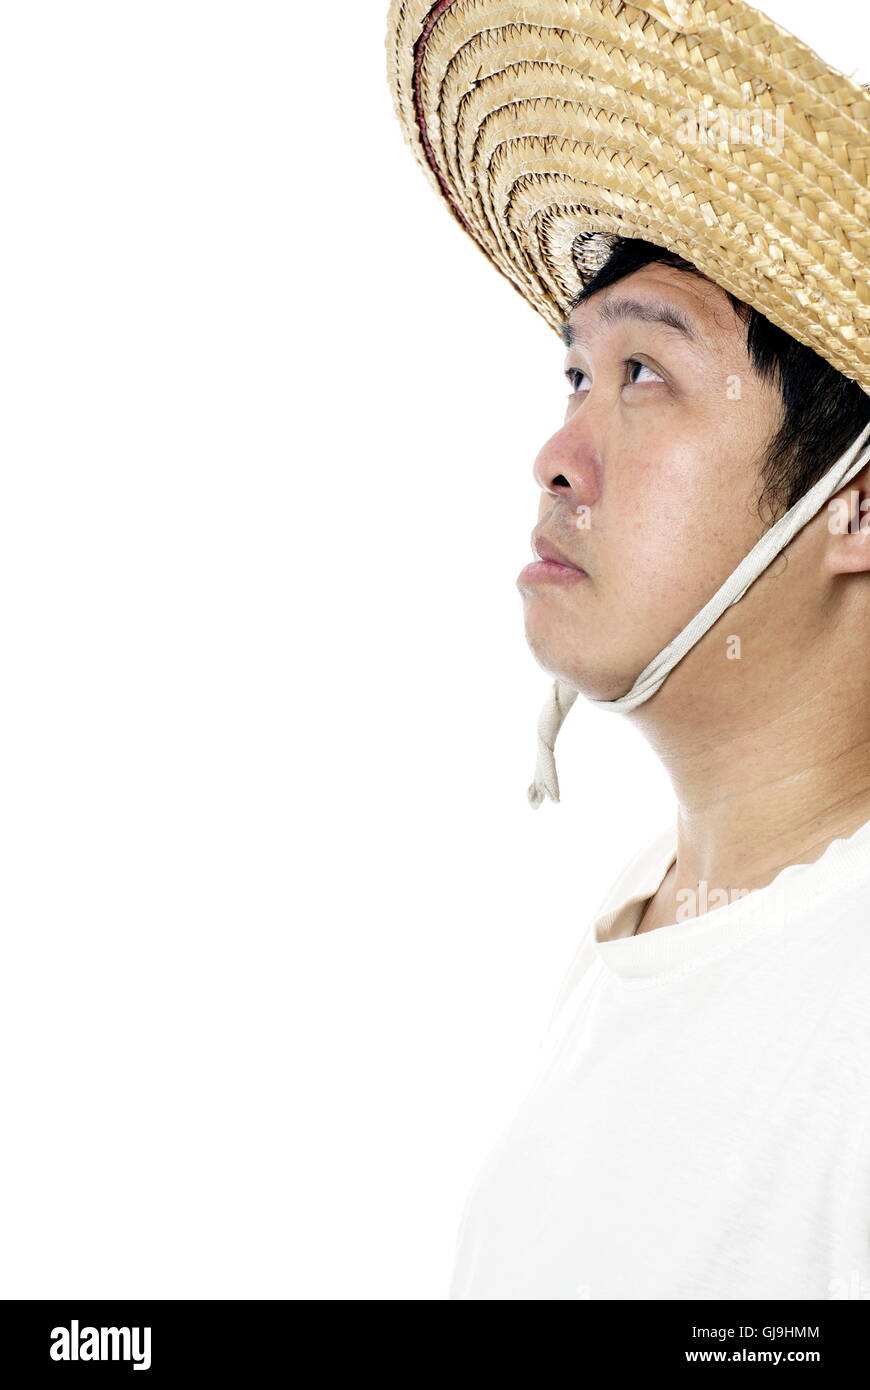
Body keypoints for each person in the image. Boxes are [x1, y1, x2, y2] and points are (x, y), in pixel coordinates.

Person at [386, 0, 870, 1298]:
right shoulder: (644, 914)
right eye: (574, 377)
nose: (556, 457)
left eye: (644, 373)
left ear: (857, 503)